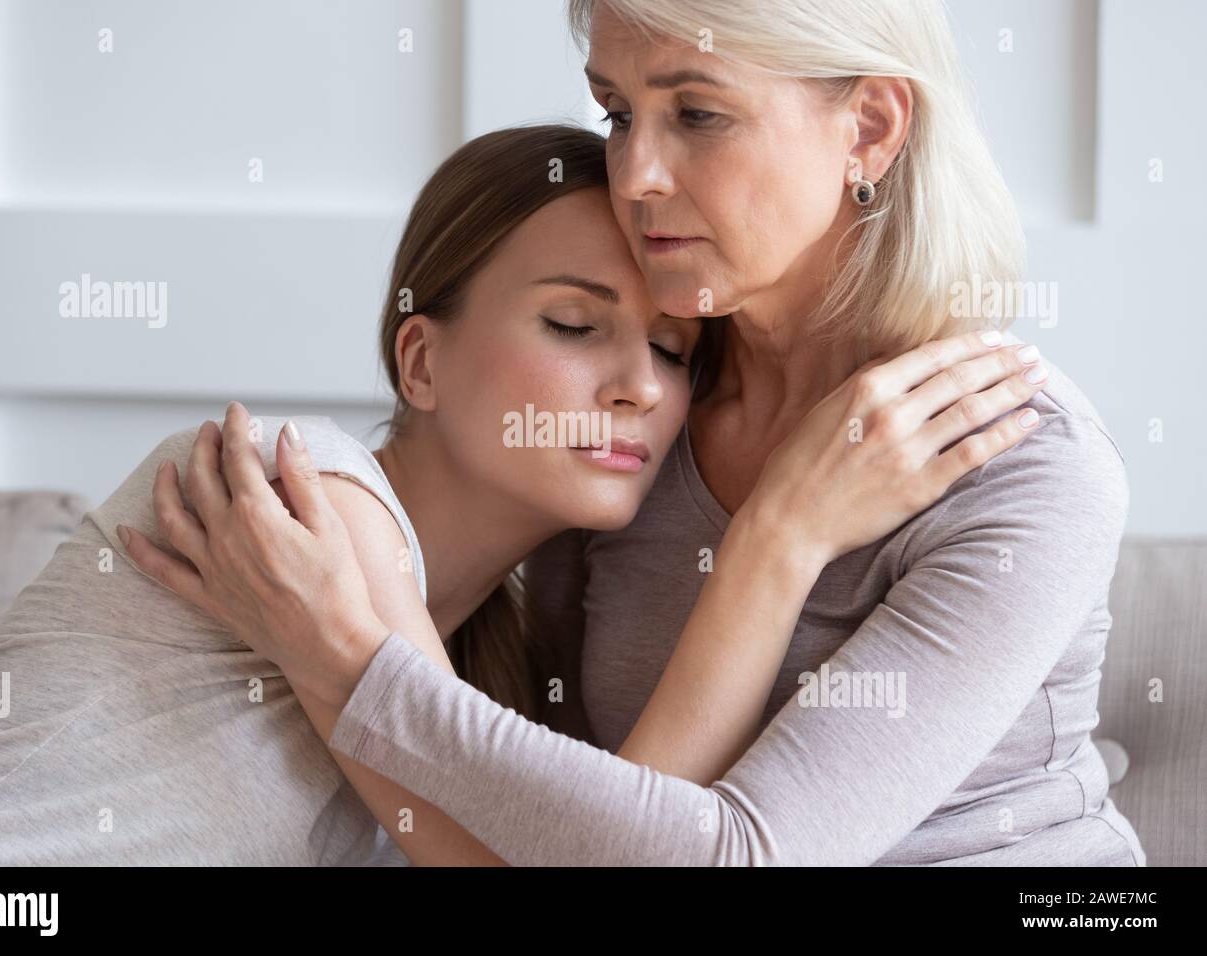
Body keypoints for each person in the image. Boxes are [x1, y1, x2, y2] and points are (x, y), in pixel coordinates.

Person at [124, 0, 1144, 866]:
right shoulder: (637, 423)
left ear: (868, 129)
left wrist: (346, 661)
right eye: (616, 112)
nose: (636, 173)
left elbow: (741, 853)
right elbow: (574, 819)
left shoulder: (1020, 462)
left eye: (696, 113)